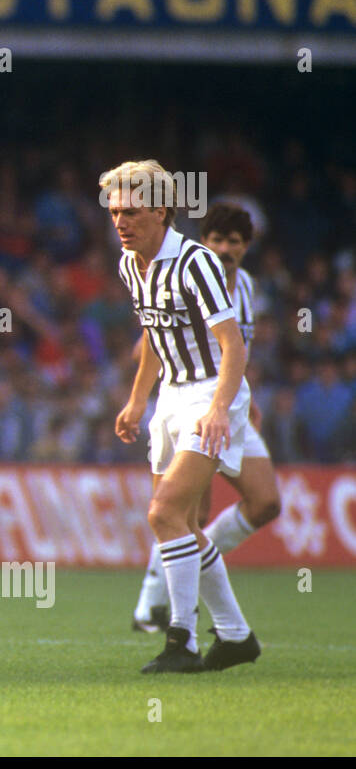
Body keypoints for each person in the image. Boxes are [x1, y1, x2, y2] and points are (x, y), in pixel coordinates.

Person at [108, 160, 261, 673]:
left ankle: (182, 641)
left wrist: (220, 410)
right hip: (170, 398)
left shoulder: (197, 261)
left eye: (130, 211)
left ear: (160, 209)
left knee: (162, 514)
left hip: (210, 394)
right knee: (185, 524)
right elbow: (154, 333)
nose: (120, 222)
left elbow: (232, 345)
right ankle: (236, 636)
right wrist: (136, 400)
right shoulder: (130, 264)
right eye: (113, 212)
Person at [131, 201, 282, 632]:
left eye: (233, 241)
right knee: (183, 515)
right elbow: (158, 335)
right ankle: (152, 604)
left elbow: (237, 345)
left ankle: (198, 594)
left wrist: (243, 396)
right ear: (204, 241)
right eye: (216, 239)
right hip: (196, 401)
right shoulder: (192, 276)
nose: (224, 248)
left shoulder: (247, 286)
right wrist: (140, 390)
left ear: (246, 246)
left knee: (265, 502)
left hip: (230, 401)